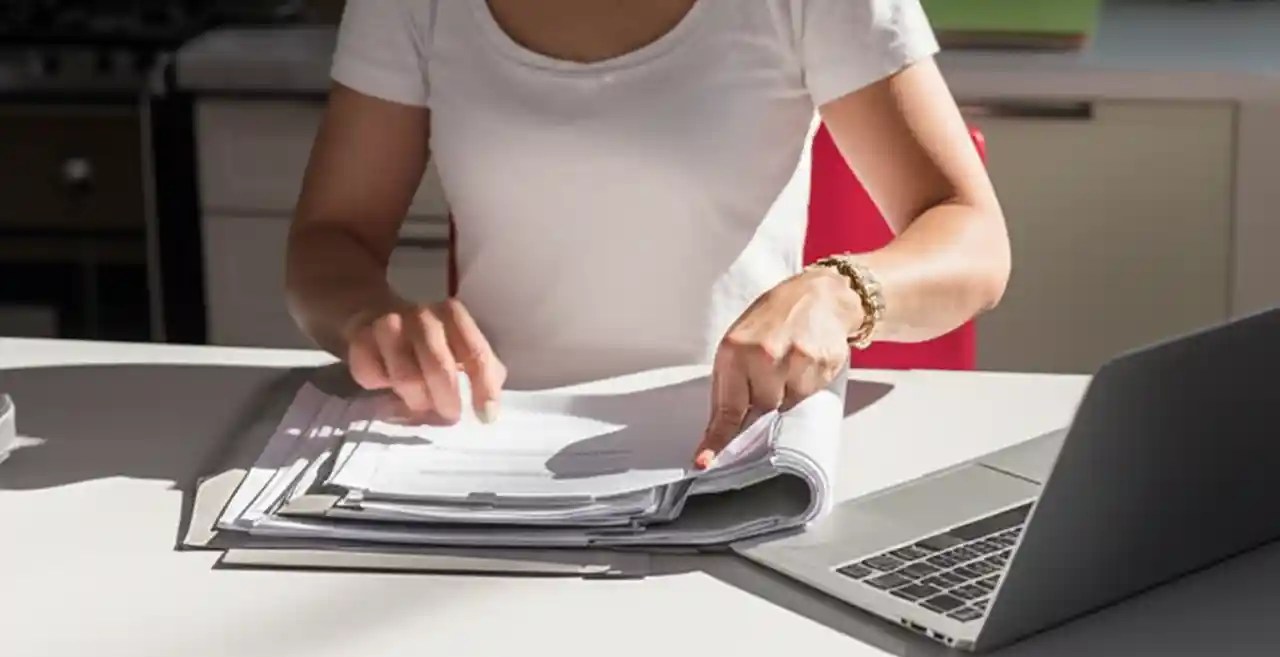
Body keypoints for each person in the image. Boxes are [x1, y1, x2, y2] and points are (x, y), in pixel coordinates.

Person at [284, 0, 1011, 469]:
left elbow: (973, 238)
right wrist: (369, 319)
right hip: (483, 456)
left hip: (734, 460)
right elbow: (331, 239)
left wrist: (841, 291)